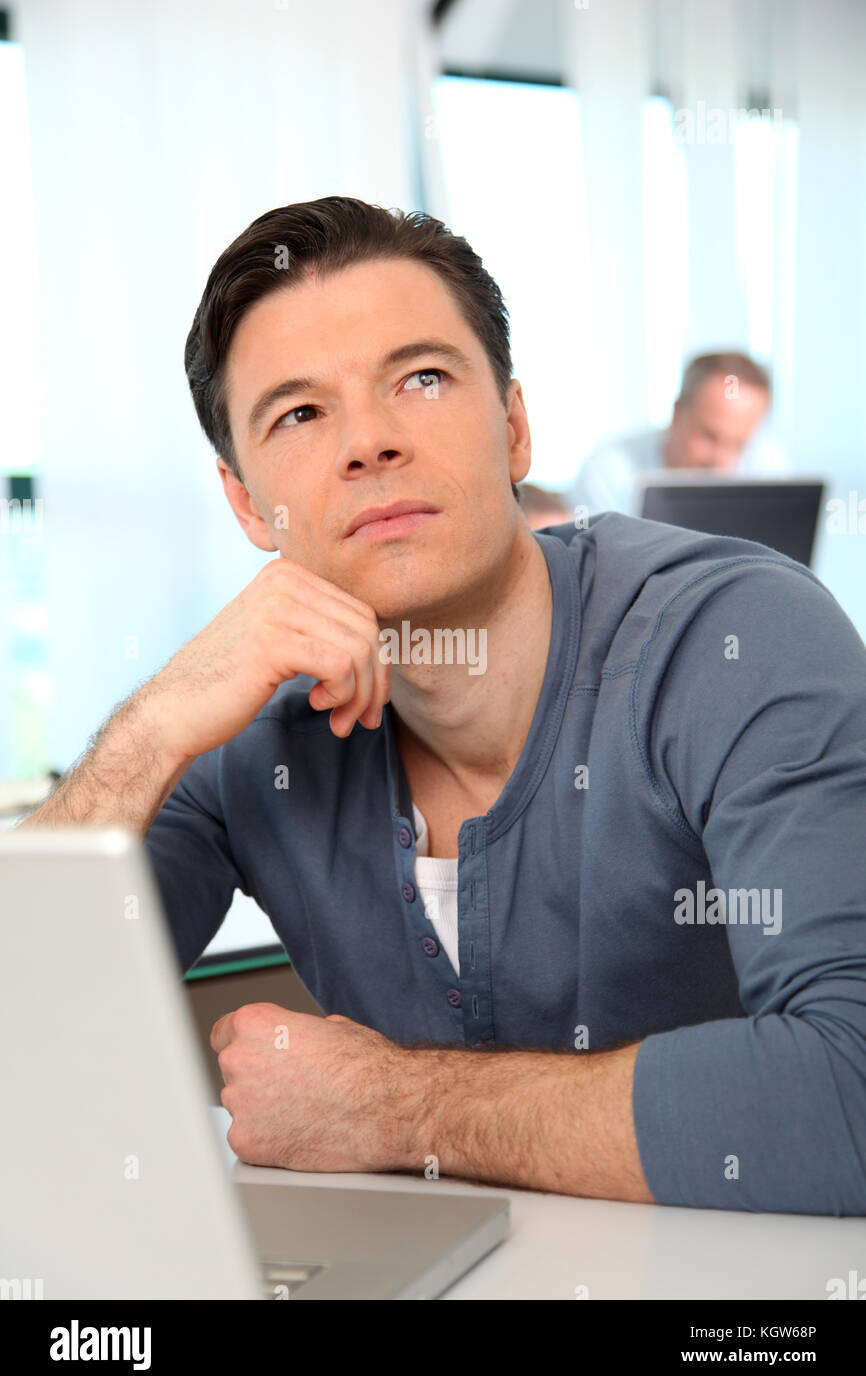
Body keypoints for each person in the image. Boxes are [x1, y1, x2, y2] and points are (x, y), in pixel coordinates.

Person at [18, 197, 866, 1215]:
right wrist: (155, 722)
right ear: (245, 503)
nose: (368, 442)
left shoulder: (737, 637)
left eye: (419, 379)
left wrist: (397, 1110)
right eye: (298, 412)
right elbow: (21, 1034)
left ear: (511, 427)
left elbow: (846, 1094)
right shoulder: (248, 731)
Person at [571, 352, 790, 517]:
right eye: (709, 437)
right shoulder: (607, 471)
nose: (720, 461)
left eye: (738, 445)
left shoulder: (770, 467)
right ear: (677, 414)